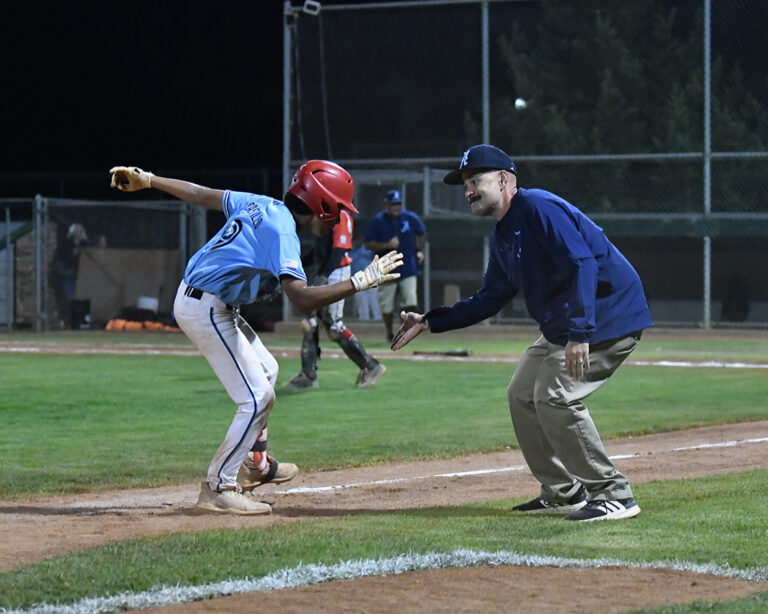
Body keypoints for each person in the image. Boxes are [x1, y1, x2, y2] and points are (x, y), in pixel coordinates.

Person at [109, 162, 402, 516]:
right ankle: (218, 487)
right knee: (257, 398)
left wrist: (150, 180)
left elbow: (201, 194)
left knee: (267, 370)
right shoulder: (284, 232)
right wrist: (358, 282)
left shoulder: (262, 204)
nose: (339, 217)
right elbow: (300, 298)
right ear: (322, 205)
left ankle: (256, 464)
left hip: (209, 301)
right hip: (205, 307)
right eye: (338, 208)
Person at [391, 144, 653, 522]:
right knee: (521, 393)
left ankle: (614, 494)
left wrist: (580, 333)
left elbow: (583, 263)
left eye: (475, 180)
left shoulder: (538, 208)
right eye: (465, 184)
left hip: (609, 316)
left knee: (555, 396)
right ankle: (563, 491)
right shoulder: (505, 233)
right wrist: (430, 321)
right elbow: (489, 298)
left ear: (504, 180)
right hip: (567, 325)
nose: (468, 191)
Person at [285, 206, 386, 389]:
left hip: (336, 272)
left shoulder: (342, 216)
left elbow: (338, 251)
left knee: (334, 326)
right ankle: (308, 374)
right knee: (310, 322)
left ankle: (371, 366)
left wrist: (323, 277)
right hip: (325, 271)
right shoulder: (324, 214)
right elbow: (318, 251)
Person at [364, 189, 426, 342]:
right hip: (387, 269)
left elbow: (422, 232)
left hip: (408, 267)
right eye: (393, 204)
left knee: (410, 301)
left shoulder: (409, 218)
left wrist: (419, 250)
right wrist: (387, 245)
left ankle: (407, 330)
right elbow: (368, 244)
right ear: (386, 205)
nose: (396, 207)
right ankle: (389, 333)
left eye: (398, 204)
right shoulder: (378, 221)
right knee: (386, 306)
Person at [50, 223, 88, 329]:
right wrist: (68, 272)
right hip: (67, 277)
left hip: (79, 278)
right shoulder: (64, 246)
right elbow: (59, 264)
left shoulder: (83, 245)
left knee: (79, 299)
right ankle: (67, 322)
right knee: (69, 299)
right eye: (77, 232)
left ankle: (80, 322)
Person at [349, 243, 382, 320]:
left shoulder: (369, 247)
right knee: (362, 304)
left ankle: (379, 322)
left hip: (372, 278)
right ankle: (364, 323)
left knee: (375, 303)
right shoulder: (350, 250)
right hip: (358, 280)